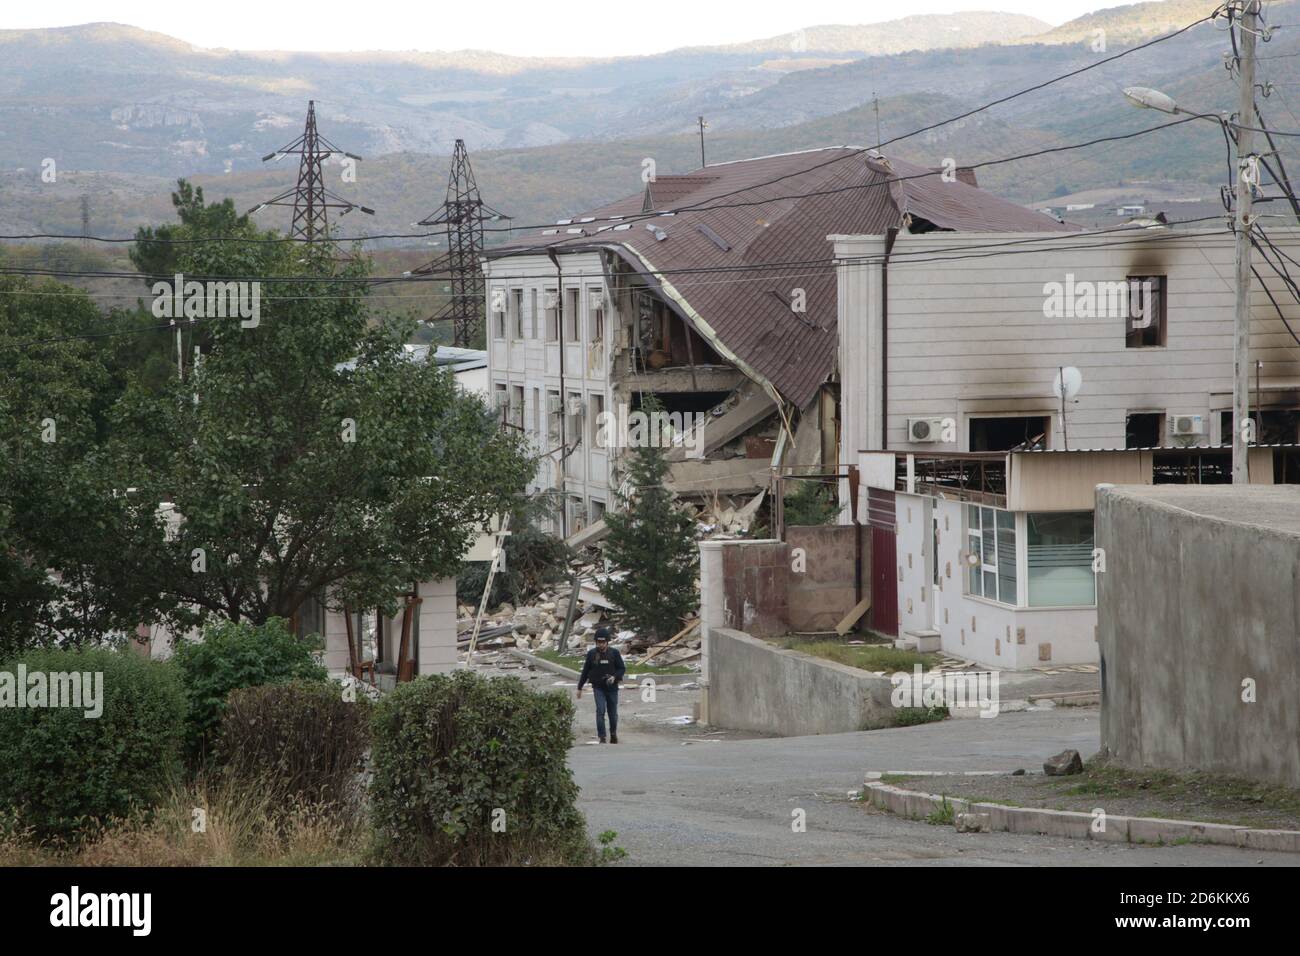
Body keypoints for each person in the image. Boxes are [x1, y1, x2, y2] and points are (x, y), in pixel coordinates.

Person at [576, 627, 625, 743]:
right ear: (596, 642)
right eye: (599, 642)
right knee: (600, 711)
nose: (601, 645)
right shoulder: (592, 654)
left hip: (612, 688)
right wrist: (579, 687)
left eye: (603, 642)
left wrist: (615, 677)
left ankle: (613, 734)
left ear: (607, 642)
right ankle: (602, 736)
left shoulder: (614, 653)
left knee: (613, 713)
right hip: (598, 687)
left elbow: (622, 668)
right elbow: (585, 671)